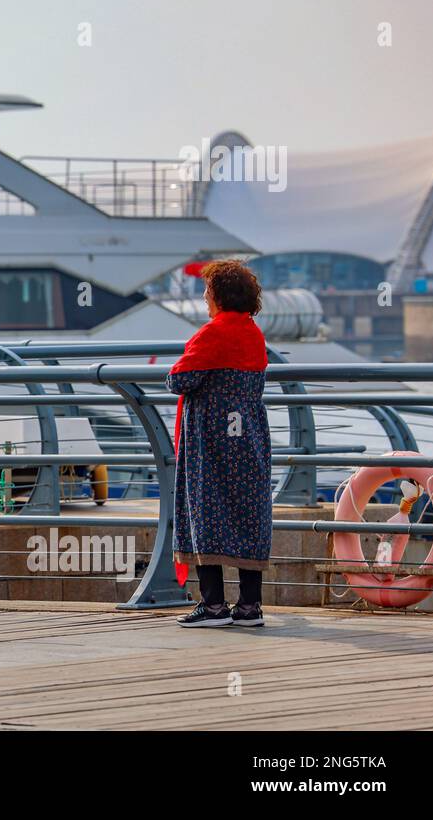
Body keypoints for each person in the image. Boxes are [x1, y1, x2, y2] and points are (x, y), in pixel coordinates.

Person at [167, 259, 272, 628]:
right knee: (247, 513)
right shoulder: (253, 333)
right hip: (249, 437)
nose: (204, 299)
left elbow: (179, 380)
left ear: (218, 296)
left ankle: (212, 606)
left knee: (203, 511)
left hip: (210, 440)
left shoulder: (214, 333)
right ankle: (249, 607)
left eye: (207, 292)